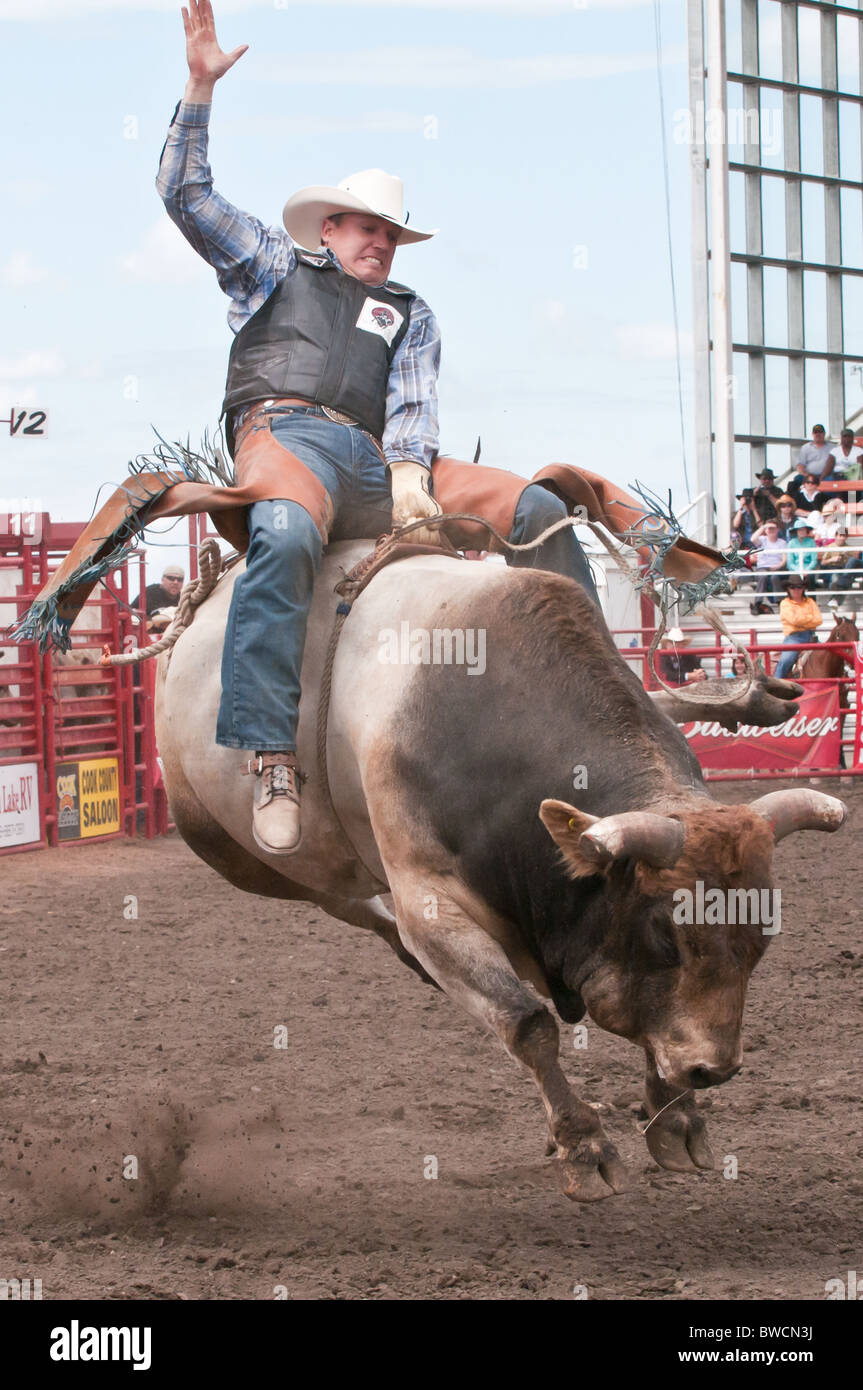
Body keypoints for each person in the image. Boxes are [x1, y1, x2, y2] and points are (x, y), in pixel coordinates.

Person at [157, 0, 596, 855]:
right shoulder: (272, 265)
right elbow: (185, 194)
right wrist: (199, 88)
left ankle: (598, 694)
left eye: (392, 235)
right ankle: (271, 757)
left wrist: (405, 472)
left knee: (540, 507)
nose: (382, 244)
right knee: (282, 534)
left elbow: (415, 406)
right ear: (330, 229)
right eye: (369, 229)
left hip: (383, 461)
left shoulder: (411, 311)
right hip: (287, 441)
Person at [775, 578, 821, 679]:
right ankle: (776, 684)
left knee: (829, 655)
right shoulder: (785, 603)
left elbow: (818, 620)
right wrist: (809, 619)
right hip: (794, 638)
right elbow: (794, 620)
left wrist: (800, 621)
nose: (796, 590)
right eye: (792, 587)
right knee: (786, 660)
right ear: (788, 589)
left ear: (803, 588)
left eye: (799, 587)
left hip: (811, 637)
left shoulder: (810, 602)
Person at [750, 518, 788, 613]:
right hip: (763, 567)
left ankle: (780, 603)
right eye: (769, 528)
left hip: (777, 567)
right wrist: (763, 527)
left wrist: (778, 566)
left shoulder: (782, 542)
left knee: (775, 577)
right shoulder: (762, 540)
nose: (771, 530)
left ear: (778, 529)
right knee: (763, 576)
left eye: (773, 528)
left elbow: (784, 559)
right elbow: (752, 539)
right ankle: (757, 603)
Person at [132, 565, 185, 630]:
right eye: (171, 578)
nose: (175, 582)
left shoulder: (184, 597)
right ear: (162, 579)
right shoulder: (150, 593)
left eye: (180, 580)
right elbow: (131, 611)